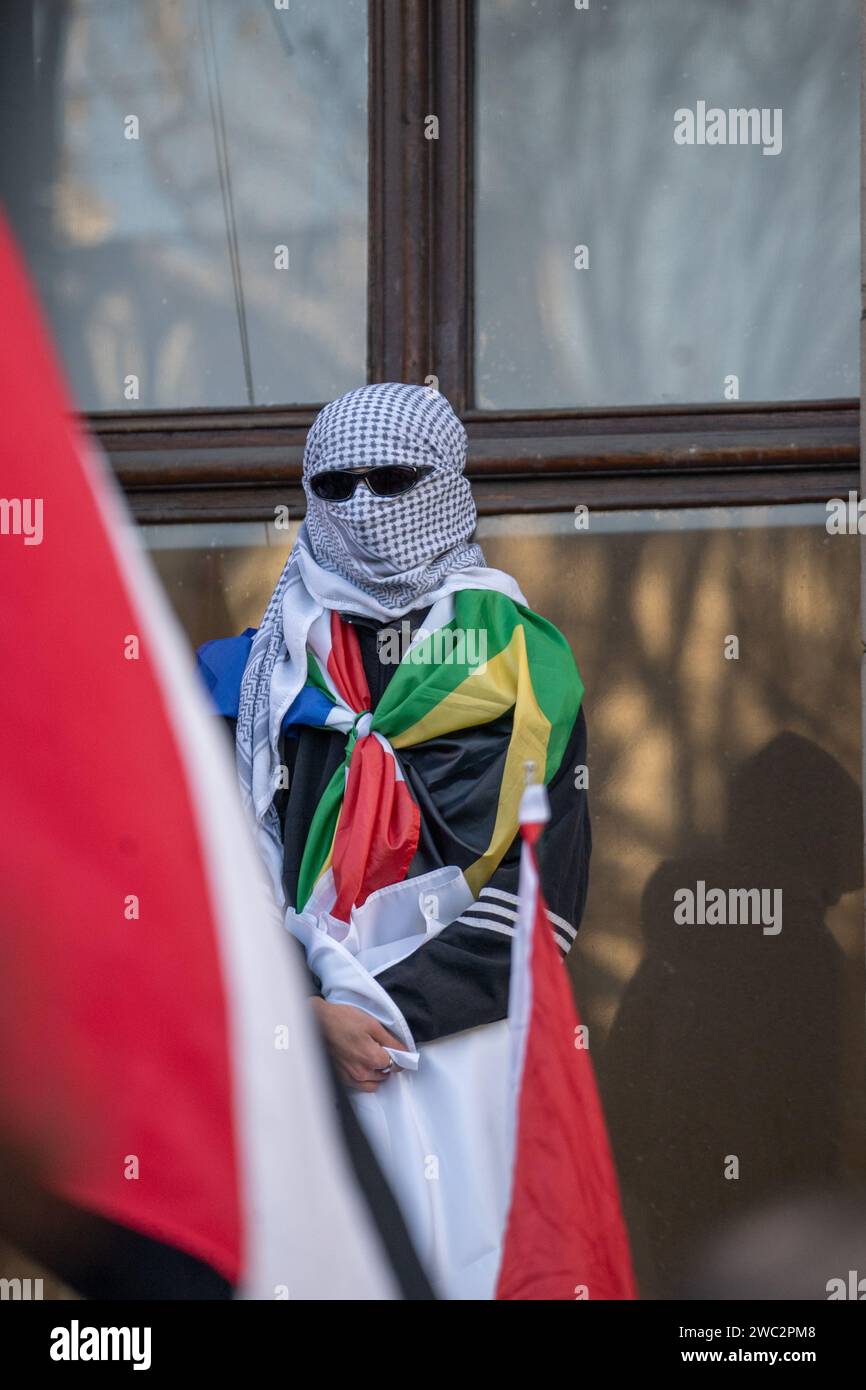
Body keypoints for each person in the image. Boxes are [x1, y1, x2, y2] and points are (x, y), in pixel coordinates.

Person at [198, 382, 591, 1298]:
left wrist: (386, 1015)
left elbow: (550, 895)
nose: (365, 508)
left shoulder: (527, 665)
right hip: (295, 1059)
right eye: (335, 485)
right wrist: (302, 1014)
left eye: (393, 477)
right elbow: (211, 877)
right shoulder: (243, 680)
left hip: (470, 1048)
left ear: (447, 484)